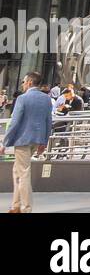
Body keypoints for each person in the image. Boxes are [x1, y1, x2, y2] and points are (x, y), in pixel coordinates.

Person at [2, 72, 52, 212]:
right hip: (36, 140)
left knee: (23, 173)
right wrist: (44, 142)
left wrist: (4, 143)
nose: (23, 84)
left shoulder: (22, 99)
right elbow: (49, 122)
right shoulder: (46, 99)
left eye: (24, 82)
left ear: (30, 82)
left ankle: (26, 208)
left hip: (22, 140)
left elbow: (14, 122)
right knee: (17, 172)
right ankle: (16, 206)